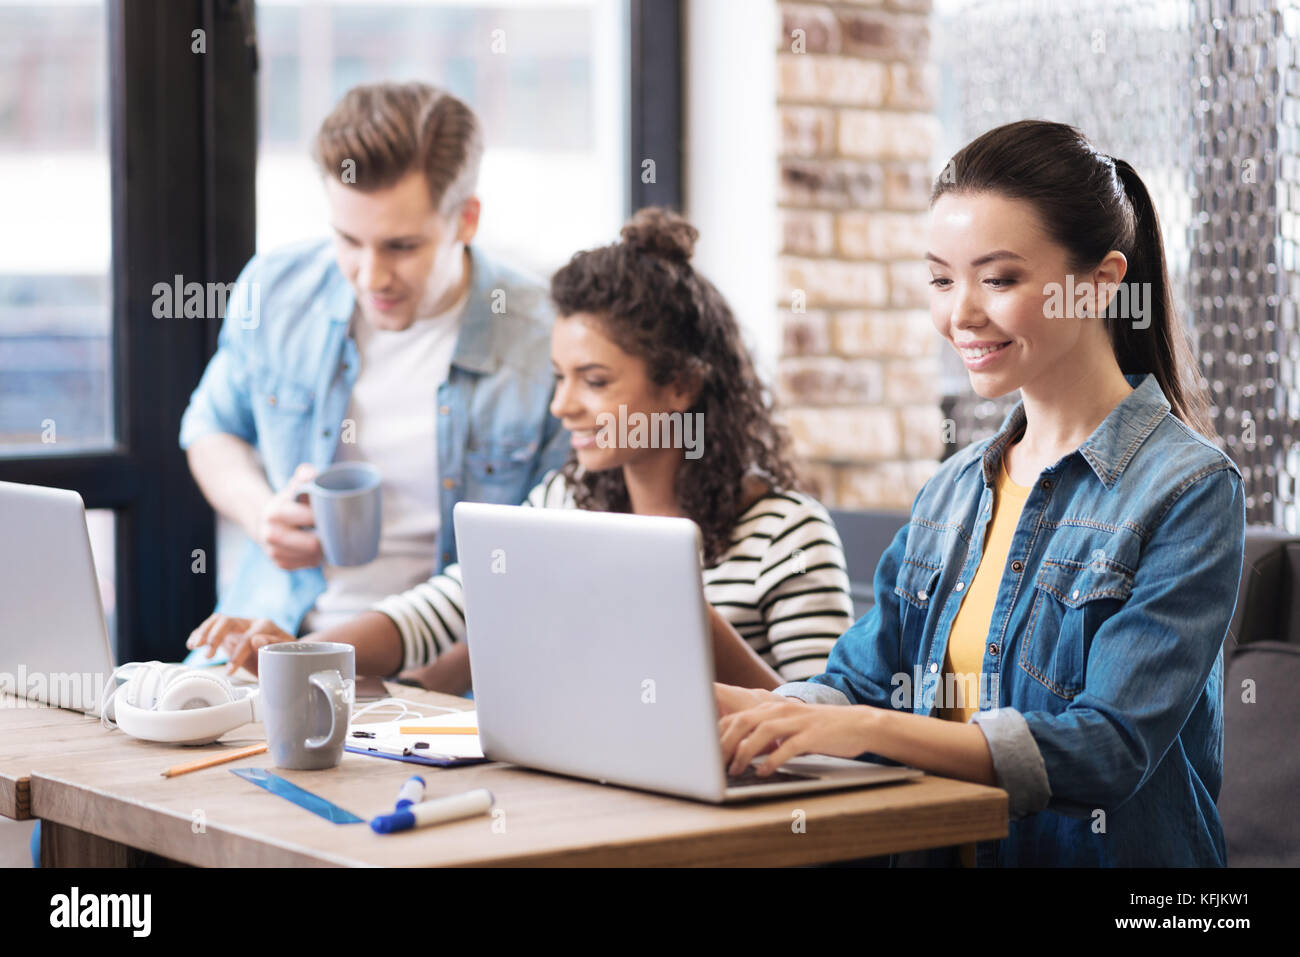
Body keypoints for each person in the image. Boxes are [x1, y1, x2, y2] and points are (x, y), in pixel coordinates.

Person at [716, 120, 1246, 867]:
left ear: (1099, 282)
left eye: (997, 279)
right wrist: (734, 706)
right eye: (941, 278)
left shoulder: (1187, 489)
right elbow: (858, 682)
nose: (959, 313)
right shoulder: (956, 489)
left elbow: (1109, 748)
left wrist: (867, 730)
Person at [188, 208, 855, 692]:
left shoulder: (787, 535)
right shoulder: (565, 504)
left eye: (593, 382)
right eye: (559, 377)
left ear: (678, 386)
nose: (562, 405)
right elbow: (439, 607)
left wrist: (689, 620)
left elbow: (822, 733)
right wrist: (308, 655)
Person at [180, 82, 567, 654]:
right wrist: (263, 513)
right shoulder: (278, 290)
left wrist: (401, 685)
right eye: (348, 239)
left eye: (402, 247)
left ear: (466, 220)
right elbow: (209, 428)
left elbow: (554, 559)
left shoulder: (544, 338)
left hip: (452, 669)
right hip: (265, 639)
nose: (370, 276)